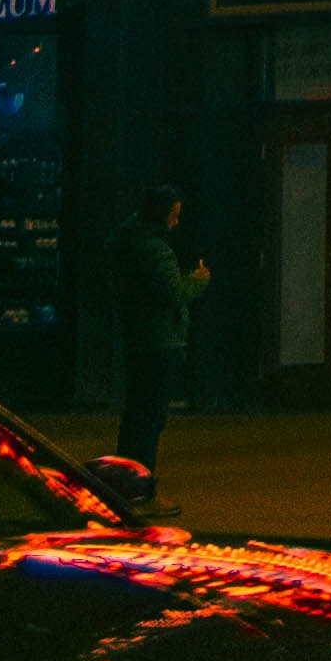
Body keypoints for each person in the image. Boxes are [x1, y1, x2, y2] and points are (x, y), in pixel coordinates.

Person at [114, 184, 208, 475]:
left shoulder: (126, 241)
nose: (176, 222)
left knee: (136, 415)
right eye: (174, 215)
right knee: (151, 417)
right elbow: (174, 293)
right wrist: (199, 280)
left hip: (139, 338)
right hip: (161, 341)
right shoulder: (156, 250)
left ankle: (126, 476)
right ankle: (140, 480)